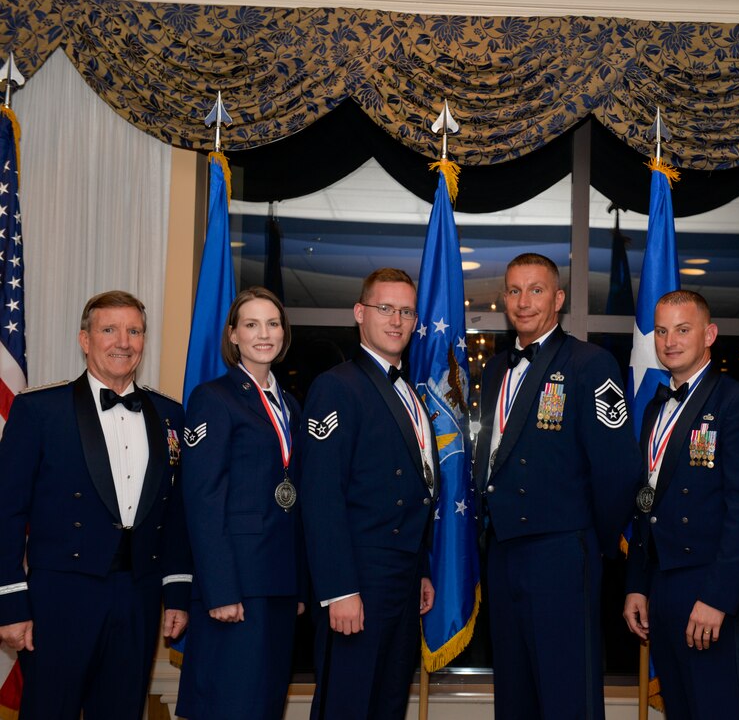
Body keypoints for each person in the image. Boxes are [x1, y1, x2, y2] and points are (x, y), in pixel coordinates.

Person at [0, 290, 191, 719]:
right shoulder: (39, 410)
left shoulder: (169, 415)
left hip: (138, 595)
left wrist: (176, 591)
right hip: (59, 596)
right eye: (109, 330)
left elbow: (174, 510)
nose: (123, 341)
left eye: (134, 330)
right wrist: (10, 603)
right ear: (84, 340)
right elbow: (5, 512)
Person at [474, 252, 640, 720]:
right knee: (514, 692)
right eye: (514, 290)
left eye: (536, 290)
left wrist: (587, 539)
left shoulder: (591, 364)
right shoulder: (495, 370)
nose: (523, 302)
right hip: (503, 552)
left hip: (562, 553)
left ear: (559, 299)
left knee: (568, 693)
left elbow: (618, 471)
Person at [623, 290, 739, 719]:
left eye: (683, 330)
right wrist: (637, 582)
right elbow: (645, 502)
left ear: (709, 334)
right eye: (661, 331)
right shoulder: (656, 408)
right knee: (682, 708)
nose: (670, 341)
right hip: (663, 584)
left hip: (711, 586)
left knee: (718, 707)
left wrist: (718, 598)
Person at [300, 268, 437, 720]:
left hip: (399, 579)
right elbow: (321, 496)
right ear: (360, 313)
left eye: (406, 311)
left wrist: (420, 570)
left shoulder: (412, 394)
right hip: (357, 578)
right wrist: (339, 589)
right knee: (348, 704)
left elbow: (417, 492)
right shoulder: (336, 387)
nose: (396, 320)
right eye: (385, 309)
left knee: (388, 703)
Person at [176, 287, 305, 720]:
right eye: (251, 324)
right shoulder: (213, 398)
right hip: (235, 587)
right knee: (228, 706)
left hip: (277, 585)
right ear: (233, 335)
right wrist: (220, 589)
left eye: (272, 323)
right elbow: (202, 498)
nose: (263, 334)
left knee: (265, 705)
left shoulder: (290, 404)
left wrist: (298, 586)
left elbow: (295, 501)